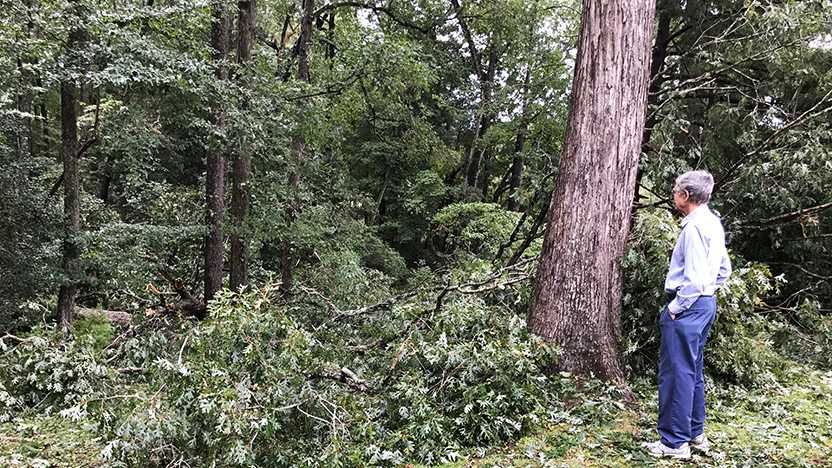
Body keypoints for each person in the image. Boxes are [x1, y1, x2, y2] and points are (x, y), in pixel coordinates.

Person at [642, 170, 732, 459]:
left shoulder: (693, 228)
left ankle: (673, 443)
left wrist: (675, 308)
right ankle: (694, 433)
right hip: (705, 303)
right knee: (692, 371)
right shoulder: (713, 222)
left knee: (676, 373)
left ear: (686, 196)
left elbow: (692, 280)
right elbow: (724, 270)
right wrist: (707, 290)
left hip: (688, 307)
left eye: (676, 189)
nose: (673, 193)